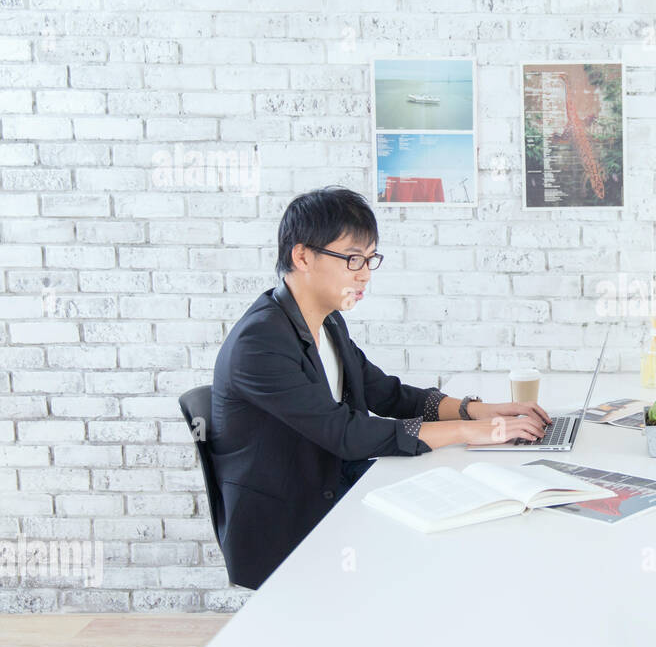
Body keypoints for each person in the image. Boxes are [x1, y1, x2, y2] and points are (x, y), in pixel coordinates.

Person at [210, 186, 551, 589]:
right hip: (289, 527)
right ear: (302, 256)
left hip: (337, 495)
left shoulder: (327, 321)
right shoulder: (260, 343)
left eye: (371, 259)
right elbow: (347, 434)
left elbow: (386, 393)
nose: (366, 273)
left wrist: (477, 410)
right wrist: (470, 432)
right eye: (353, 258)